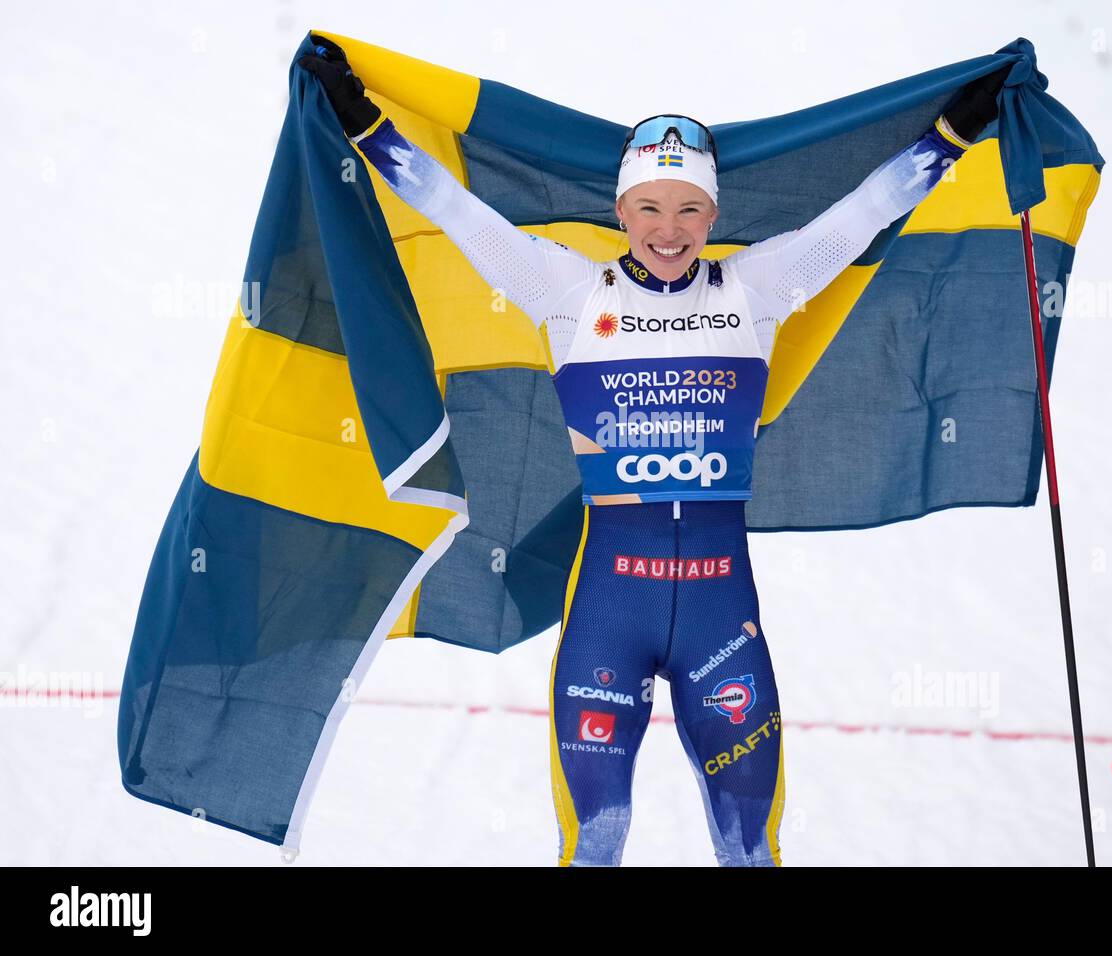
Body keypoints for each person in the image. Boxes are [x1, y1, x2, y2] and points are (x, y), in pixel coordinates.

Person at [300, 37, 1006, 866]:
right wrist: (364, 122)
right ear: (620, 212)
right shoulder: (564, 290)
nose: (667, 231)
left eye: (688, 210)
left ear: (713, 215)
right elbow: (457, 212)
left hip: (721, 620)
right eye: (648, 209)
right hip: (608, 617)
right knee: (593, 845)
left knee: (752, 849)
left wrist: (952, 138)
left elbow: (862, 215)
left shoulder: (758, 285)